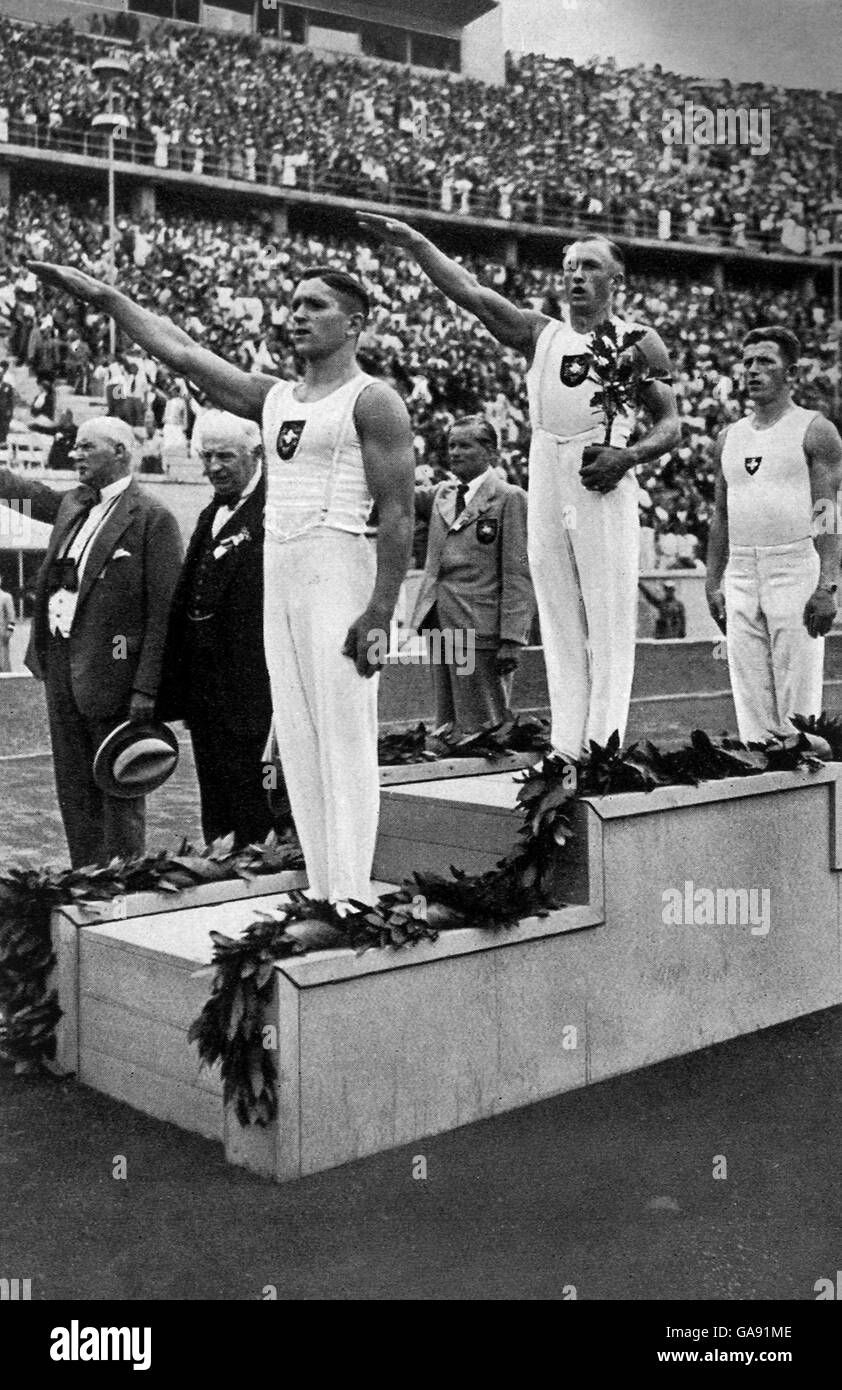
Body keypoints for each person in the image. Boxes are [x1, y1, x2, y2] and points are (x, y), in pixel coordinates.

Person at [30, 260, 415, 908]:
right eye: (292, 302)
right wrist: (106, 297)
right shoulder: (275, 399)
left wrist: (379, 610)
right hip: (284, 580)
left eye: (314, 305)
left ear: (354, 322)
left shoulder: (373, 400)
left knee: (342, 741)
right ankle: (324, 891)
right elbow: (181, 351)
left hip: (337, 568)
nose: (296, 314)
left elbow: (398, 511)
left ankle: (352, 896)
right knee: (296, 738)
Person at [359, 214, 679, 761]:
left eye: (590, 267)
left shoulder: (638, 341)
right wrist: (415, 243)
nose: (576, 275)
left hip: (600, 471)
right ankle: (567, 745)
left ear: (616, 282)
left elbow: (670, 423)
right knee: (556, 616)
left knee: (607, 618)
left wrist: (628, 456)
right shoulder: (541, 333)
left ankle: (604, 745)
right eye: (570, 266)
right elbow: (471, 293)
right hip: (547, 467)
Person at [0, 417, 182, 866]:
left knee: (118, 785)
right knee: (73, 785)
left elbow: (163, 614)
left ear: (120, 452)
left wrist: (146, 689)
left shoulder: (153, 518)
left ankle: (120, 883)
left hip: (116, 674)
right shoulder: (71, 504)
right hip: (60, 663)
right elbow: (20, 489)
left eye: (86, 447)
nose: (75, 455)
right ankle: (85, 875)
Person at [705, 327, 842, 743]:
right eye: (747, 362)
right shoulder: (727, 438)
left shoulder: (814, 430)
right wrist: (714, 580)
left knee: (797, 709)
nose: (753, 370)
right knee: (750, 704)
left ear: (791, 373)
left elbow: (828, 513)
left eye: (765, 361)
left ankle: (804, 795)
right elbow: (720, 515)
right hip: (742, 571)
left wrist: (827, 585)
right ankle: (760, 797)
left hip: (794, 567)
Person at [157, 409, 274, 848]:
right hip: (208, 692)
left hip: (254, 689)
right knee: (216, 798)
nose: (213, 468)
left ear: (255, 453)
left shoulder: (275, 510)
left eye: (224, 456)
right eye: (206, 457)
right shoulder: (211, 513)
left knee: (257, 795)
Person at [411, 416, 534, 744]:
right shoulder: (441, 495)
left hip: (481, 625)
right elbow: (398, 496)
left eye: (465, 445)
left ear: (491, 452)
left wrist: (512, 638)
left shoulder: (510, 498)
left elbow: (518, 572)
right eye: (451, 445)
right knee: (447, 719)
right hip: (438, 617)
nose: (455, 452)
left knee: (483, 725)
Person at [0, 582, 15, 673]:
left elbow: (11, 617)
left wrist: (9, 631)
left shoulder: (5, 597)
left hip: (1, 635)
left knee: (3, 661)